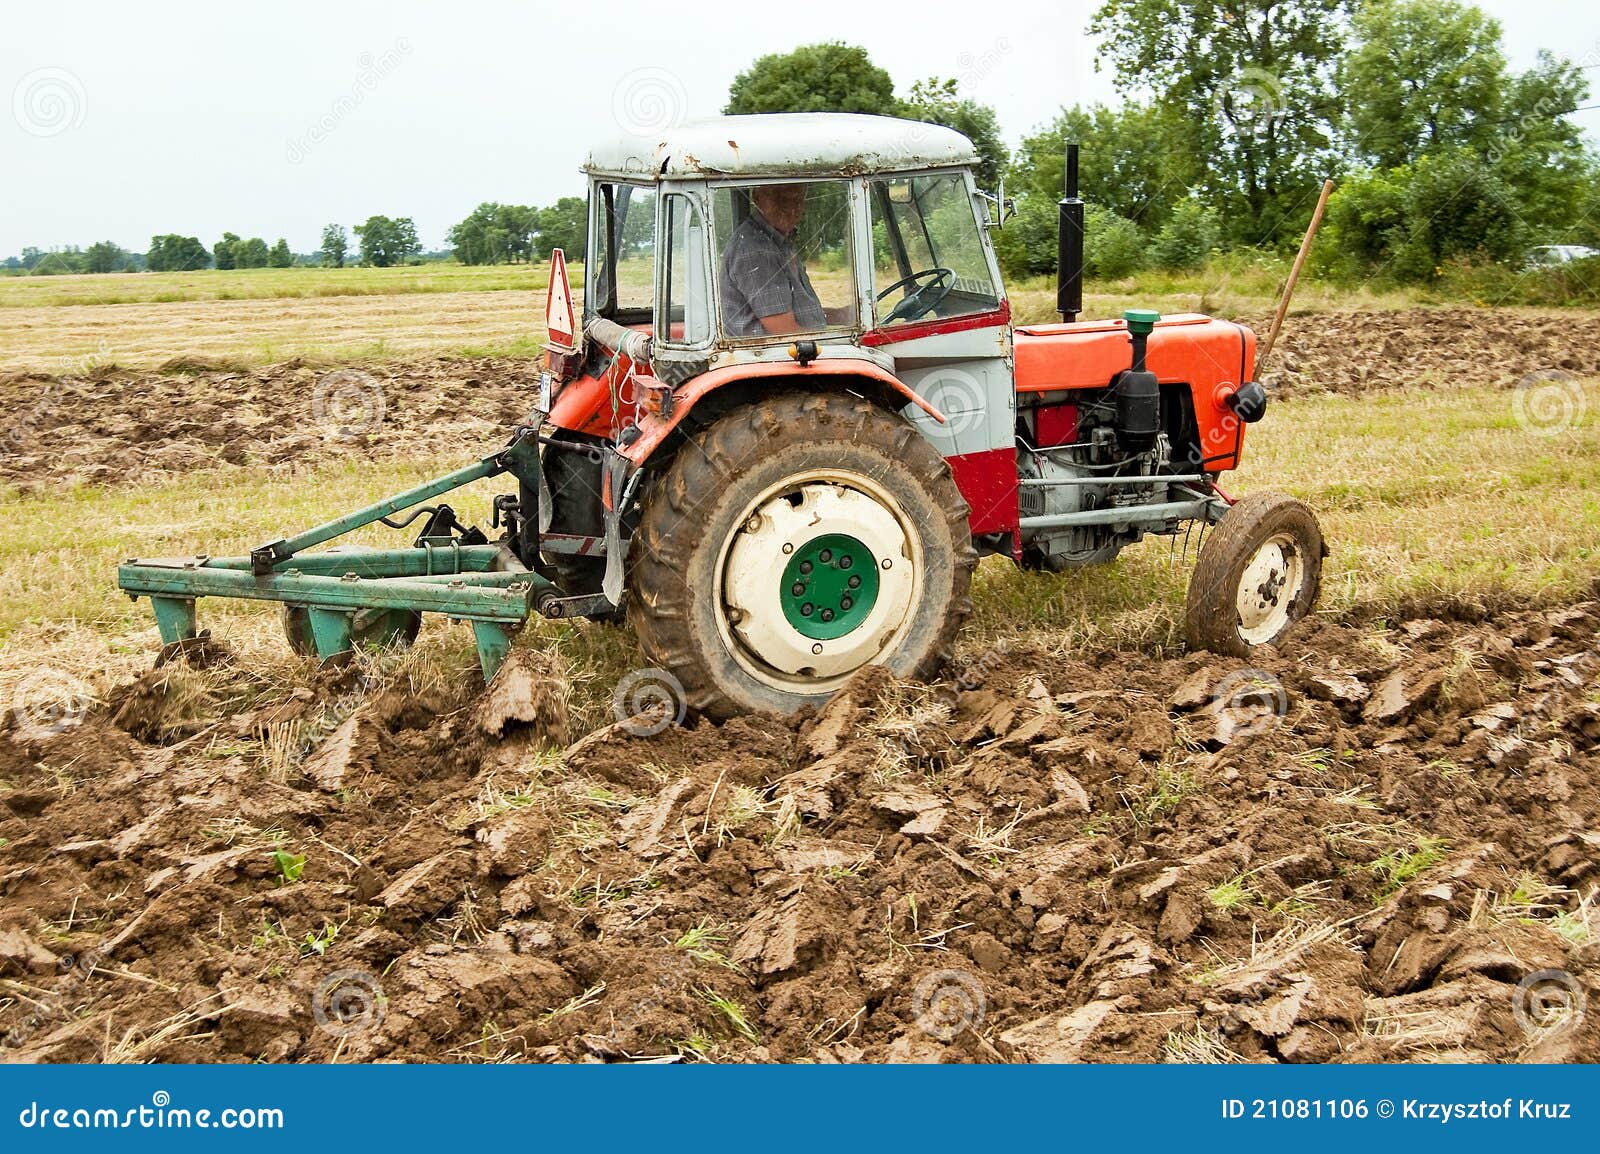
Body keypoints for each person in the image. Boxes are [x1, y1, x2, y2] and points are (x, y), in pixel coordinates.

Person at [720, 184, 852, 337]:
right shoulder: (757, 250)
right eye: (781, 199)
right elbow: (785, 333)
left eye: (797, 200)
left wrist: (841, 315)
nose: (790, 208)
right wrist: (835, 344)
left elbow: (795, 313)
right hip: (770, 356)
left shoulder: (776, 241)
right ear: (757, 198)